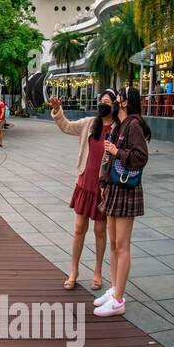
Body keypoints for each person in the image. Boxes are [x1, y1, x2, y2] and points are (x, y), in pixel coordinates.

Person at [94, 86, 151, 318]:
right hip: (115, 187)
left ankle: (118, 299)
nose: (115, 101)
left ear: (126, 103)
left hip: (127, 188)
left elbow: (141, 157)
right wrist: (104, 183)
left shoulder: (133, 124)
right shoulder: (120, 125)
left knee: (122, 244)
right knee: (114, 242)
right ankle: (115, 289)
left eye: (118, 98)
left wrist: (118, 152)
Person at [49, 91, 115, 291]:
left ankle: (97, 271)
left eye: (107, 102)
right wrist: (57, 110)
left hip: (103, 187)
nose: (102, 104)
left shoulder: (118, 128)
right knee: (79, 228)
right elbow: (66, 126)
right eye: (100, 101)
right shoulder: (89, 123)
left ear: (114, 105)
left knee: (100, 231)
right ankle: (74, 271)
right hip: (84, 183)